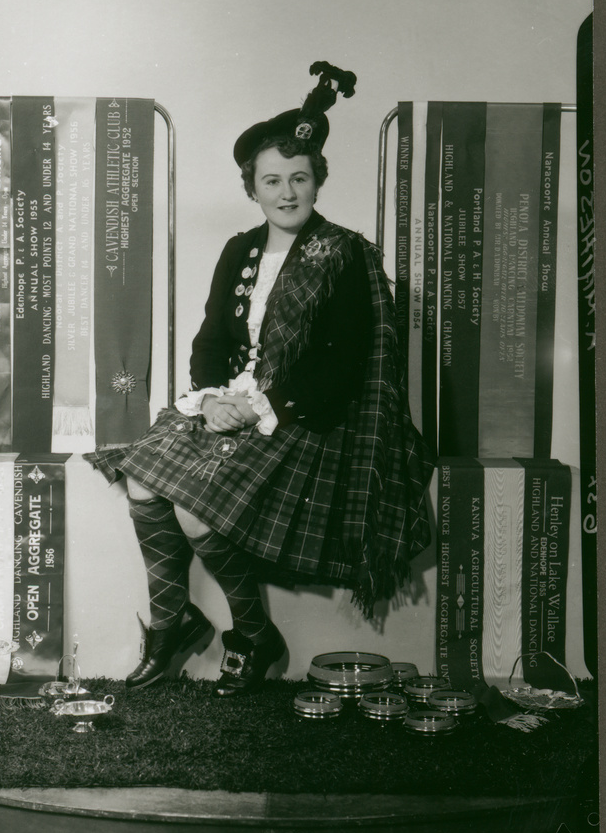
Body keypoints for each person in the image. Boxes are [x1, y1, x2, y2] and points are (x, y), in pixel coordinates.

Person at [86, 61, 433, 698]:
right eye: (272, 180)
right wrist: (213, 396)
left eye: (299, 178)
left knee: (192, 512)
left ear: (317, 181)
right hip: (228, 404)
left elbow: (343, 363)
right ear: (253, 187)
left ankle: (252, 635)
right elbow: (211, 340)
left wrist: (258, 406)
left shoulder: (345, 251)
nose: (287, 192)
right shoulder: (239, 249)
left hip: (301, 416)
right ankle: (173, 622)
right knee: (139, 476)